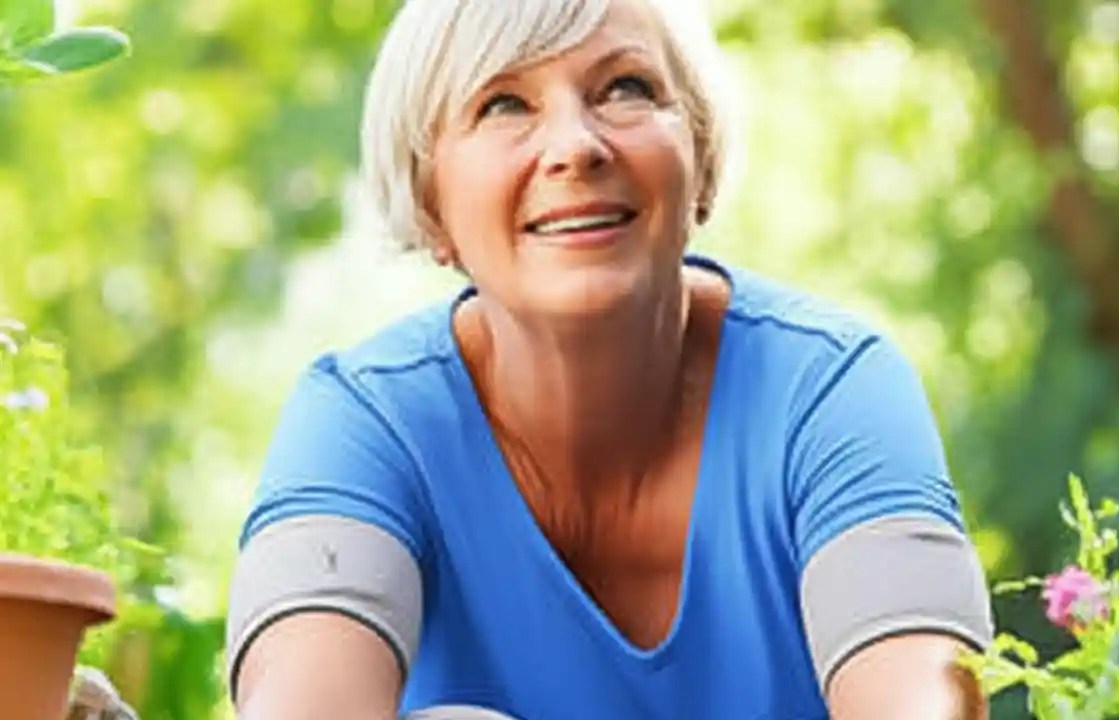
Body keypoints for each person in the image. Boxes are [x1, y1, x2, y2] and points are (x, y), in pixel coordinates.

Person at [224, 0, 994, 717]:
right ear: (431, 205)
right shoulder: (365, 422)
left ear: (699, 154)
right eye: (503, 104)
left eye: (625, 88)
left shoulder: (833, 390)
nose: (575, 147)